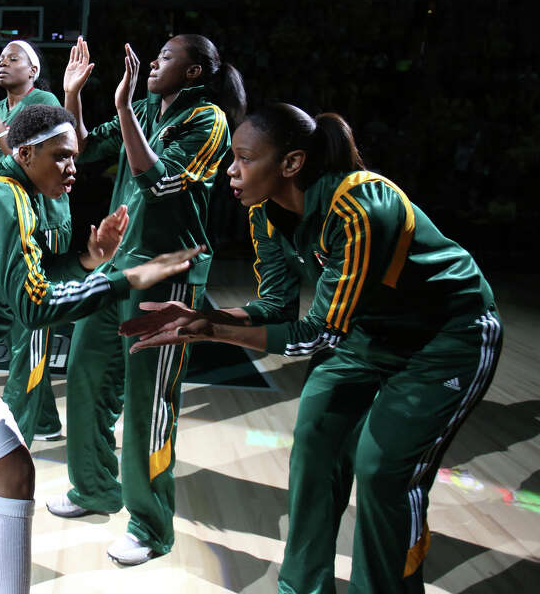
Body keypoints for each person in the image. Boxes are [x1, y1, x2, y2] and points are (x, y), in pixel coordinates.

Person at [119, 103, 503, 593]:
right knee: (314, 451)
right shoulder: (263, 211)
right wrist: (206, 319)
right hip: (363, 335)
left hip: (446, 338)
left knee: (383, 471)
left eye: (244, 158)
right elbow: (277, 307)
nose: (230, 170)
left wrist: (214, 331)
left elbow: (318, 333)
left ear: (292, 163)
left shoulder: (360, 205)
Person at [0, 104, 205, 594]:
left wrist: (89, 259)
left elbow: (40, 271)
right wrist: (122, 279)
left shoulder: (27, 192)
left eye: (75, 157)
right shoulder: (2, 198)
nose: (72, 167)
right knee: (14, 472)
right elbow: (35, 306)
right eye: (60, 156)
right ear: (25, 153)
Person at [45, 35, 246, 565]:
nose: (155, 61)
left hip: (168, 276)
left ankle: (150, 526)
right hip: (117, 268)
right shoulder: (144, 110)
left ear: (195, 72)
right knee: (86, 378)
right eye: (156, 55)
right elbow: (81, 147)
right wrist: (73, 95)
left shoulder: (208, 121)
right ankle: (94, 489)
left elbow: (158, 184)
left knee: (148, 403)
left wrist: (124, 110)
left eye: (167, 56)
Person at [0, 40, 66, 443]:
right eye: (0, 58)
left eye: (13, 58)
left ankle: (15, 432)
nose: (3, 63)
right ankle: (46, 421)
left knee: (30, 328)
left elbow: (27, 158)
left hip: (44, 223)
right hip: (8, 224)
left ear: (33, 70)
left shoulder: (44, 102)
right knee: (17, 328)